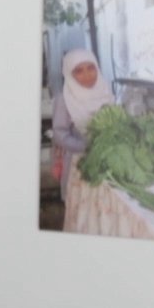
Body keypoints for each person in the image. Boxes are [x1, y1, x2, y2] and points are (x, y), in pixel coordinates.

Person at [51, 49, 114, 198]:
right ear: (69, 74)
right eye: (78, 71)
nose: (87, 75)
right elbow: (60, 135)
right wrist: (89, 148)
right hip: (80, 162)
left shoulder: (105, 91)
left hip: (109, 161)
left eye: (91, 68)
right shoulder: (64, 99)